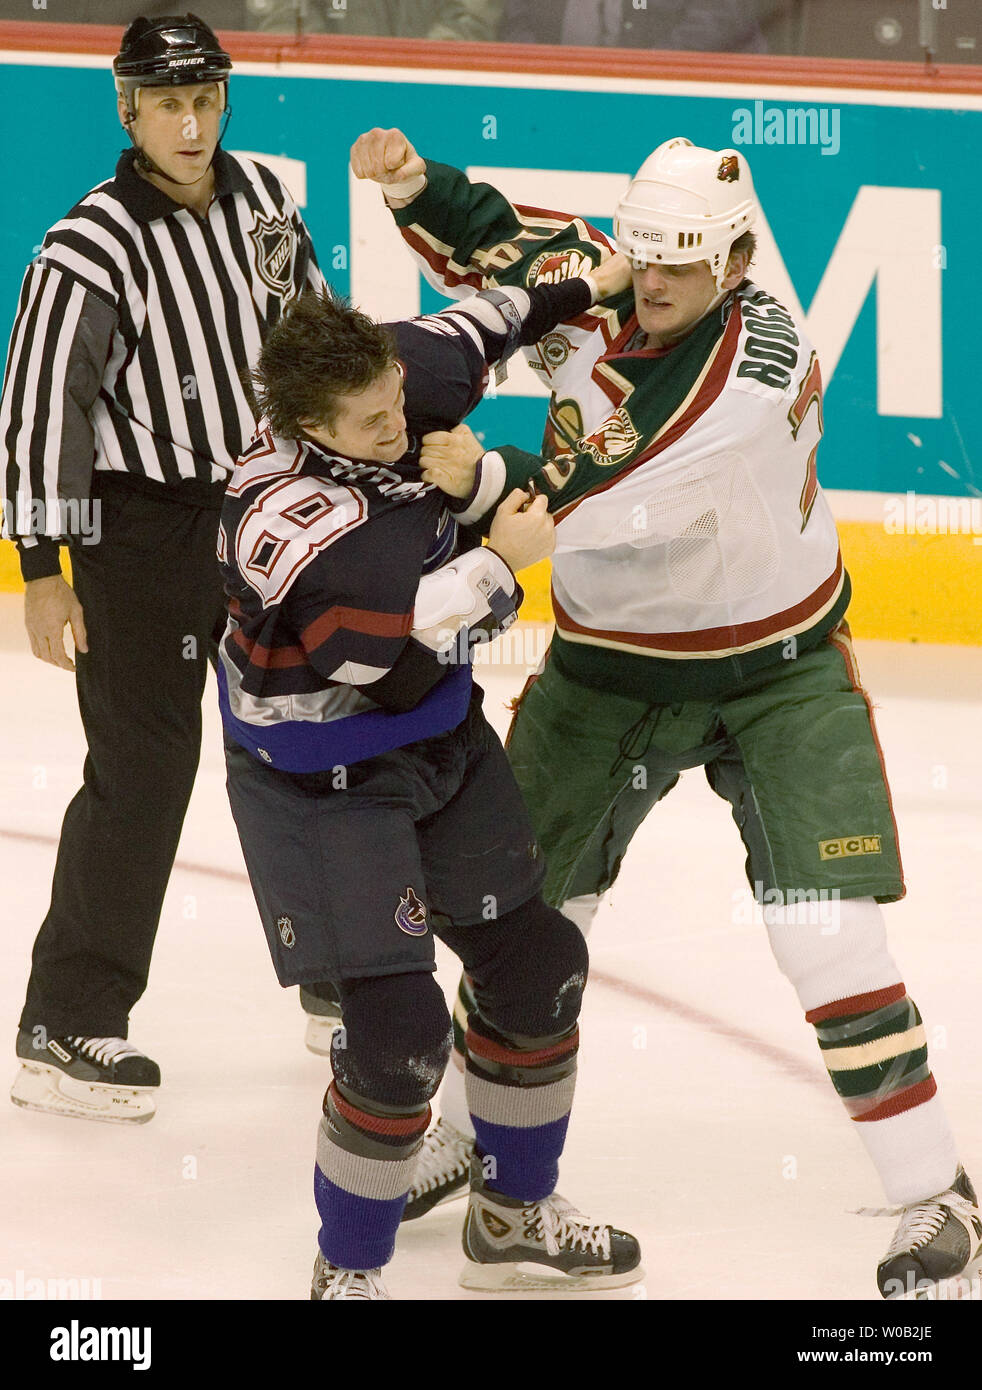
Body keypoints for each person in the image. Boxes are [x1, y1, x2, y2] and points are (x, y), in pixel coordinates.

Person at [346, 126, 982, 1301]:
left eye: (681, 265)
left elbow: (602, 502)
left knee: (823, 933)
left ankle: (933, 1193)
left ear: (737, 261)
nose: (655, 283)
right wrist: (416, 187)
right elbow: (518, 247)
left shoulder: (756, 375)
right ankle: (502, 1167)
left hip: (772, 673)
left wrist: (475, 483)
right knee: (521, 923)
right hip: (606, 668)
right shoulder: (621, 274)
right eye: (644, 259)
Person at [218, 253, 642, 1297]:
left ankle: (512, 1216)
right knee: (400, 1038)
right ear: (309, 426)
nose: (399, 431)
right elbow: (374, 659)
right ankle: (350, 1266)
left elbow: (484, 317)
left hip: (442, 745)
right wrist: (503, 558)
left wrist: (599, 280)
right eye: (371, 424)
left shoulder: (389, 380)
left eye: (395, 403)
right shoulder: (277, 515)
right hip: (324, 785)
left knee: (538, 968)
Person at [2, 13, 325, 1124]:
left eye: (206, 100)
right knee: (143, 767)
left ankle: (339, 974)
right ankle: (64, 1022)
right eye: (167, 104)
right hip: (136, 538)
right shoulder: (87, 244)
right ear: (128, 111)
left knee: (308, 739)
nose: (191, 124)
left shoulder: (266, 209)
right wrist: (43, 567)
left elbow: (314, 348)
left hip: (264, 519)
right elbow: (45, 407)